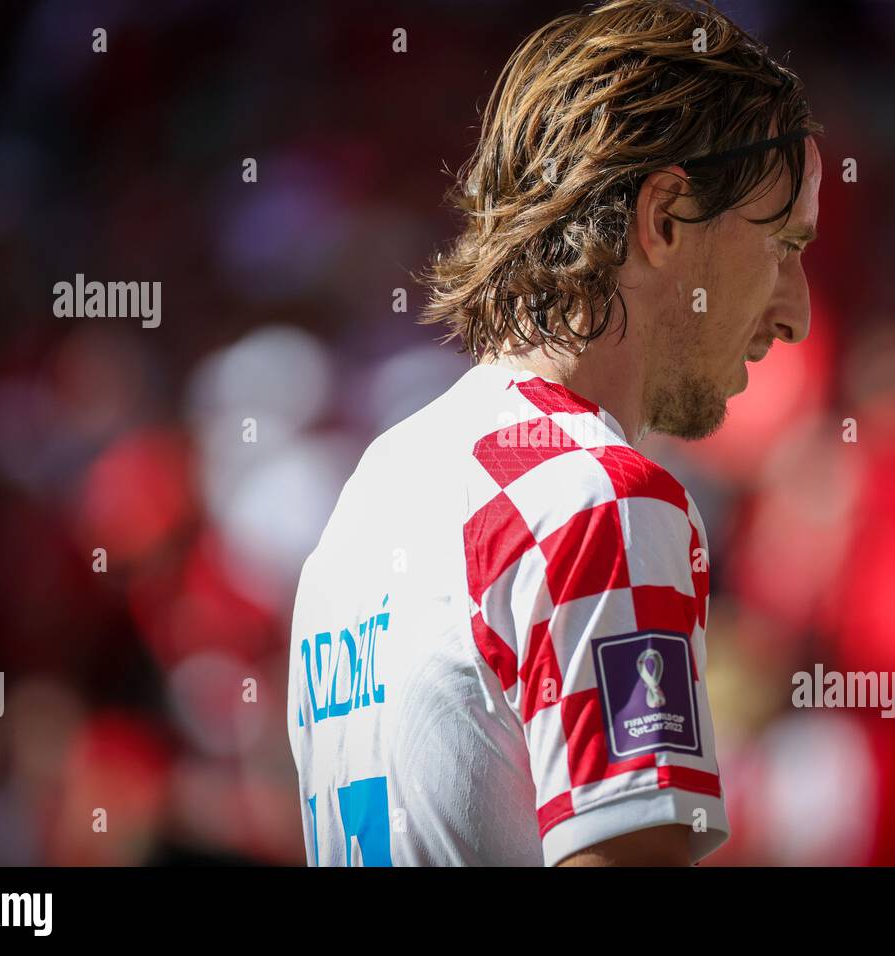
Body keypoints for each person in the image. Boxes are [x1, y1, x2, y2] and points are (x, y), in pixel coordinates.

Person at [287, 0, 820, 866]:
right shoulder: (598, 499)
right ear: (666, 220)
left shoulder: (370, 496)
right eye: (783, 245)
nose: (794, 313)